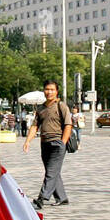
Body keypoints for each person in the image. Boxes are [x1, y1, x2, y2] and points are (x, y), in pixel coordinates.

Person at [23, 80, 72, 209]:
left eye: (52, 89)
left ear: (57, 91)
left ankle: (42, 198)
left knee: (51, 171)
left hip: (57, 143)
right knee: (52, 171)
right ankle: (62, 197)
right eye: (47, 89)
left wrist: (63, 143)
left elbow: (68, 125)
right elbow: (35, 126)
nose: (49, 92)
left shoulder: (61, 106)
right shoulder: (41, 108)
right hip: (44, 143)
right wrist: (28, 141)